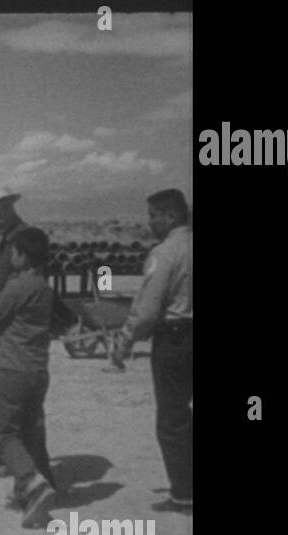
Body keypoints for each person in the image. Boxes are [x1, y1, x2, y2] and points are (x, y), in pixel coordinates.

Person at [0, 183, 73, 477]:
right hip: (25, 343)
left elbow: (20, 291)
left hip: (17, 338)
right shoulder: (11, 240)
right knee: (27, 415)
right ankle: (18, 463)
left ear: (9, 207)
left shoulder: (23, 240)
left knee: (16, 412)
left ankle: (19, 467)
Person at [112, 189, 192, 514]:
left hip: (175, 340)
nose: (149, 223)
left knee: (173, 419)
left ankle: (185, 494)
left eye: (153, 216)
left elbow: (147, 309)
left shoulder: (166, 252)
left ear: (170, 216)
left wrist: (124, 341)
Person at [0, 227, 59, 528]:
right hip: (38, 370)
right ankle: (38, 490)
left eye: (13, 252)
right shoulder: (44, 287)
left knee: (6, 435)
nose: (10, 257)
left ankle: (31, 481)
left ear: (22, 255)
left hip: (14, 370)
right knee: (31, 430)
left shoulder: (19, 286)